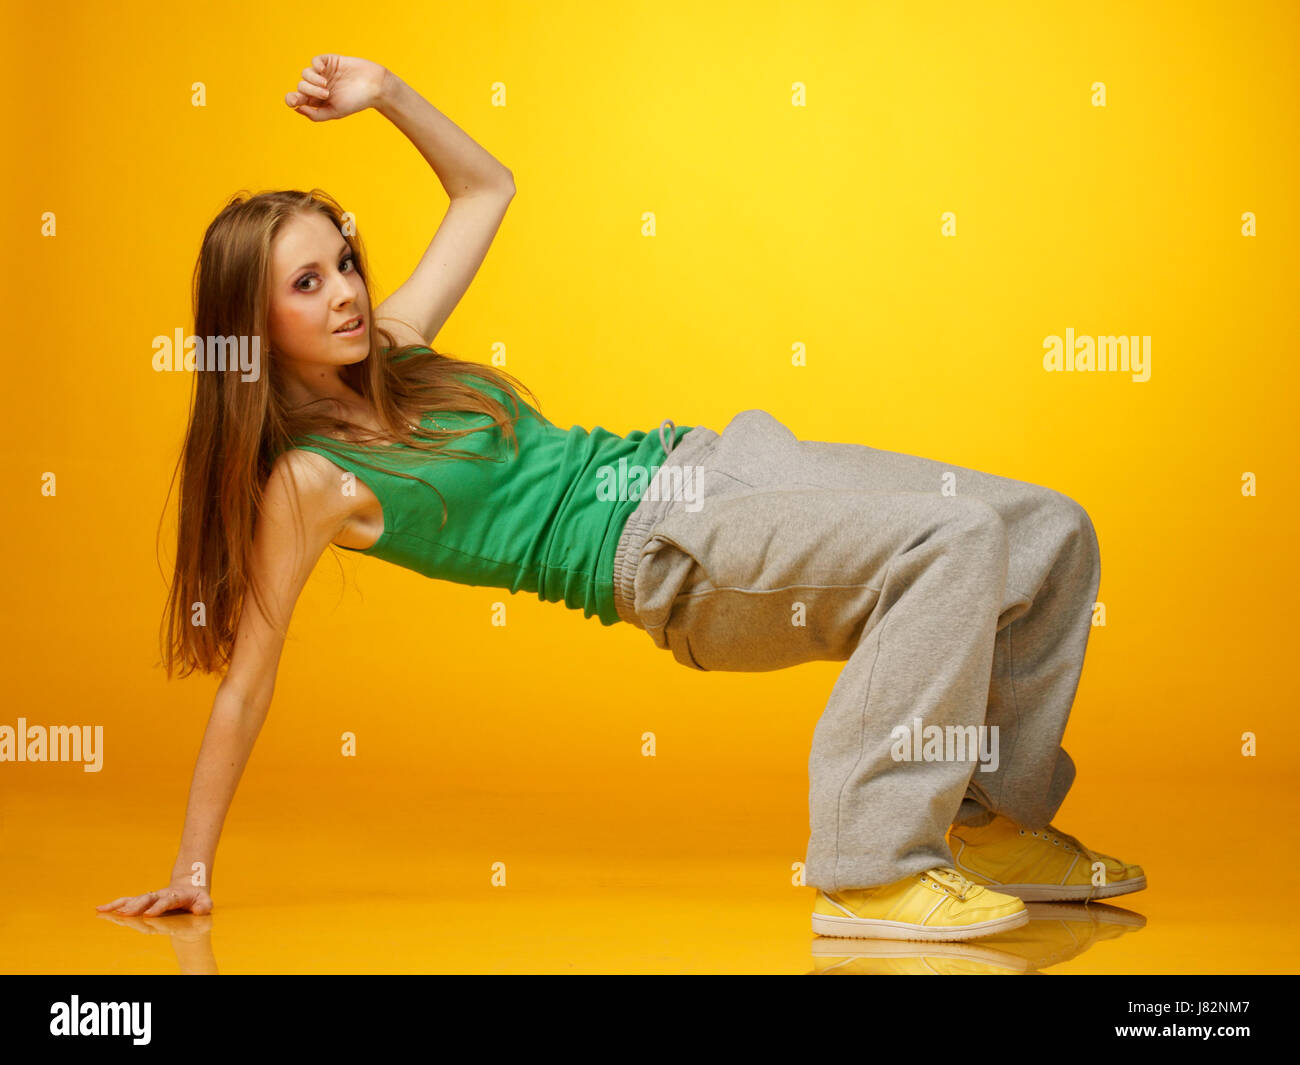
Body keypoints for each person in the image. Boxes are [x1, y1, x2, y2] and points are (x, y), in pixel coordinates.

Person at [97, 54, 1145, 943]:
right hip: (669, 556)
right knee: (952, 539)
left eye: (345, 263)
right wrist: (194, 867)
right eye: (307, 284)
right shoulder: (310, 484)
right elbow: (246, 684)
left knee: (1047, 531)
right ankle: (868, 870)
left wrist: (390, 93)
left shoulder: (397, 354)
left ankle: (997, 818)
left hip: (707, 461)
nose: (348, 294)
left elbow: (486, 190)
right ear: (251, 320)